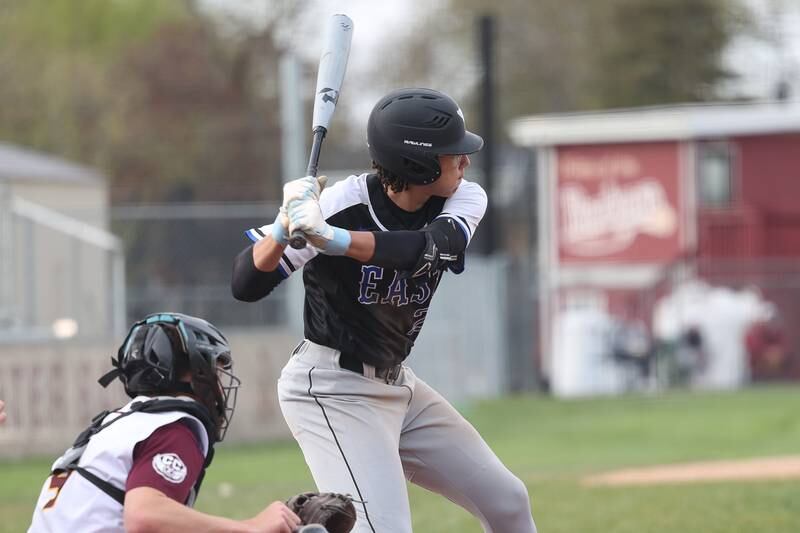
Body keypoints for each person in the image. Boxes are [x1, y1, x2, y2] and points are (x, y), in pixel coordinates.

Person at [232, 88, 537, 532]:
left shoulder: (463, 198)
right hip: (332, 389)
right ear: (418, 165)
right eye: (452, 153)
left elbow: (429, 248)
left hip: (399, 384)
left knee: (508, 502)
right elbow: (246, 283)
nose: (464, 160)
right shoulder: (339, 205)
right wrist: (281, 229)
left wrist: (334, 240)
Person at [28, 312, 304, 533]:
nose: (220, 385)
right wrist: (249, 528)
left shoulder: (119, 424)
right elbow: (145, 517)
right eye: (216, 370)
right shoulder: (174, 427)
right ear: (195, 372)